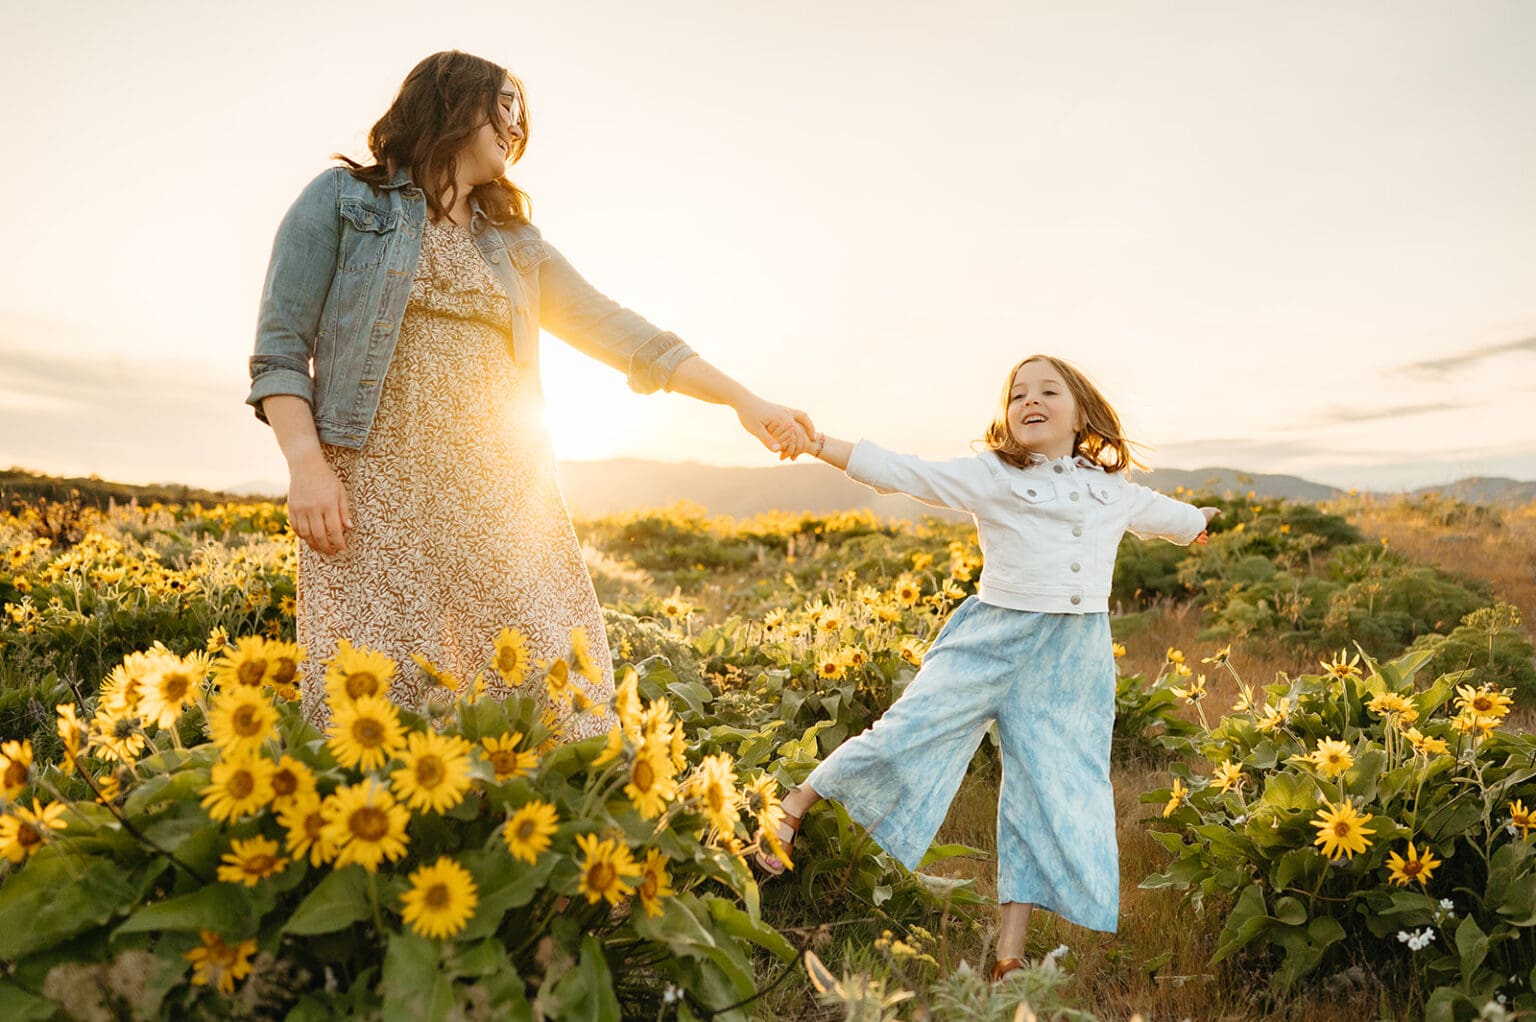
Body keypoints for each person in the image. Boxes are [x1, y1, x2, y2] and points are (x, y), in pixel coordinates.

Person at [246, 51, 812, 737]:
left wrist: (743, 401)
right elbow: (280, 348)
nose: (515, 127)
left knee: (551, 687)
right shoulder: (342, 201)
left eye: (521, 116)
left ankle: (552, 837)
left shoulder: (514, 244)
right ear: (453, 102)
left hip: (503, 496)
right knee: (381, 707)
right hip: (375, 498)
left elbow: (623, 332)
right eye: (504, 106)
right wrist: (307, 467)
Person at [758, 354, 1218, 980]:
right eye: (1016, 394)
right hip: (992, 640)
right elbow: (907, 473)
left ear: (1080, 411)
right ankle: (790, 808)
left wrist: (1195, 524)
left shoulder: (1110, 490)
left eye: (1047, 391)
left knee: (1049, 786)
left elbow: (1160, 514)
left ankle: (1009, 955)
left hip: (1074, 657)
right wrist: (818, 443)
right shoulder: (993, 474)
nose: (1029, 401)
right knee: (906, 731)